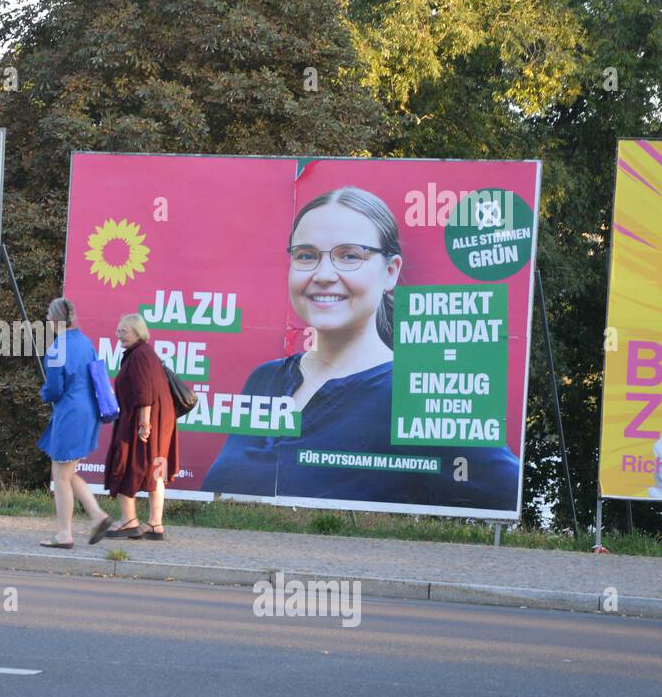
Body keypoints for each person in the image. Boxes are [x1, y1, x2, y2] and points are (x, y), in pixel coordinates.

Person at [201, 185, 519, 509]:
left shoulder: (416, 392)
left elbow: (508, 491)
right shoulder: (265, 380)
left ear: (391, 272)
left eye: (350, 256)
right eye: (306, 255)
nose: (323, 275)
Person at [36, 298, 111, 548]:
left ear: (55, 319)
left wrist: (44, 393)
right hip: (89, 411)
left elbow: (55, 389)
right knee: (67, 473)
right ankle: (97, 515)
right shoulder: (85, 343)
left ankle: (64, 534)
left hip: (70, 413)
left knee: (60, 476)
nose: (46, 318)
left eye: (48, 314)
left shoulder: (57, 349)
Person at [103, 313, 179, 540]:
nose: (118, 335)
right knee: (156, 468)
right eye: (118, 331)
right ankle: (155, 525)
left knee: (126, 465)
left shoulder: (139, 356)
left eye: (123, 331)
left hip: (143, 422)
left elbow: (144, 393)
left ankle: (129, 521)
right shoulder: (146, 353)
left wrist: (144, 425)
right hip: (160, 423)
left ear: (137, 332)